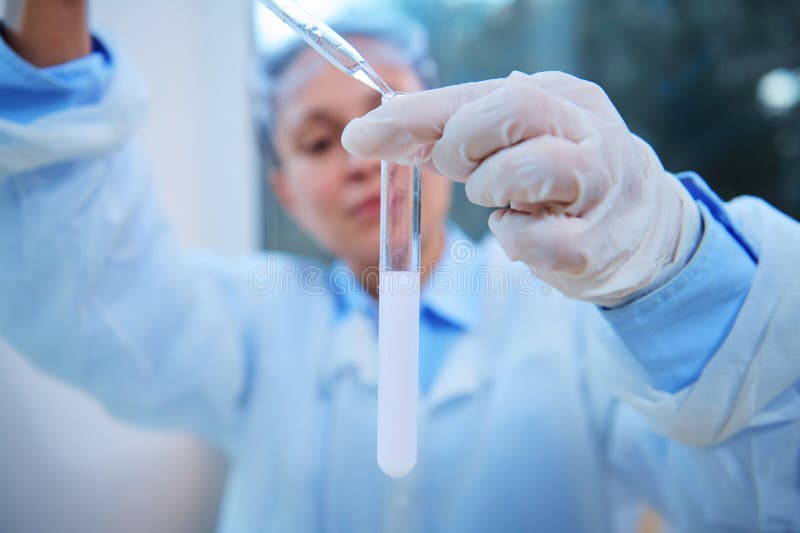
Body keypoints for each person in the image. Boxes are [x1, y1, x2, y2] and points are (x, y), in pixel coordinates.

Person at [1, 2, 798, 532]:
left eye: (387, 118)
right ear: (285, 190)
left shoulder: (563, 308)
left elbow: (760, 491)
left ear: (450, 130)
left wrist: (670, 269)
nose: (364, 158)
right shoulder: (259, 317)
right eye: (319, 141)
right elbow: (88, 298)